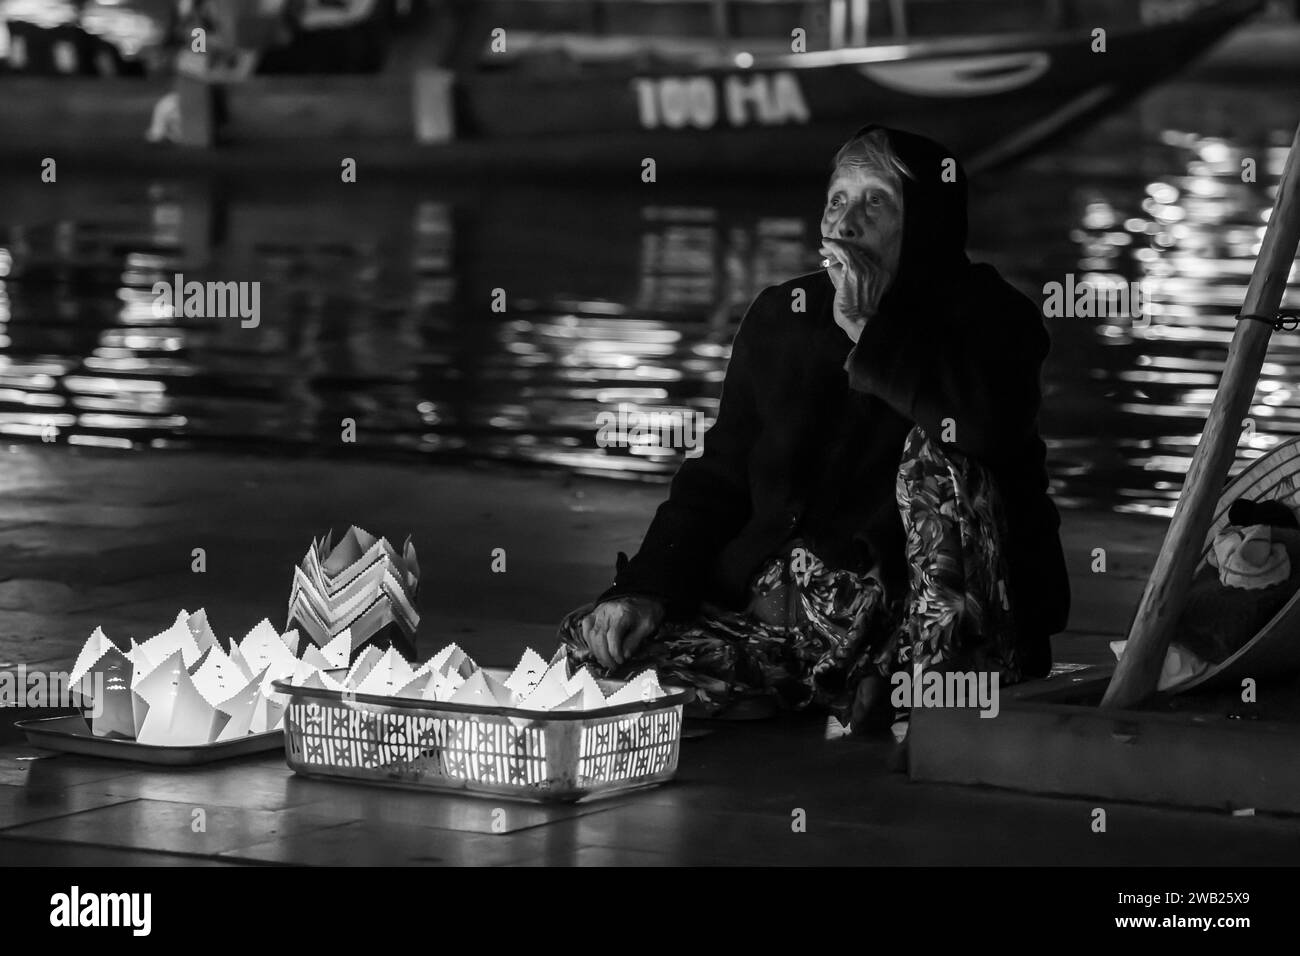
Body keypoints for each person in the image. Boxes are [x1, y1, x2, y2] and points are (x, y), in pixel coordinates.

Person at [558, 125, 1071, 734]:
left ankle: (924, 692)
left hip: (924, 626)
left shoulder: (991, 318)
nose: (845, 223)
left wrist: (866, 332)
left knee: (937, 458)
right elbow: (719, 476)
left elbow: (982, 432)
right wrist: (645, 589)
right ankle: (818, 688)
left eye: (875, 201)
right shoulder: (784, 315)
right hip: (780, 624)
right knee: (595, 655)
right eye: (837, 200)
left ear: (926, 221)